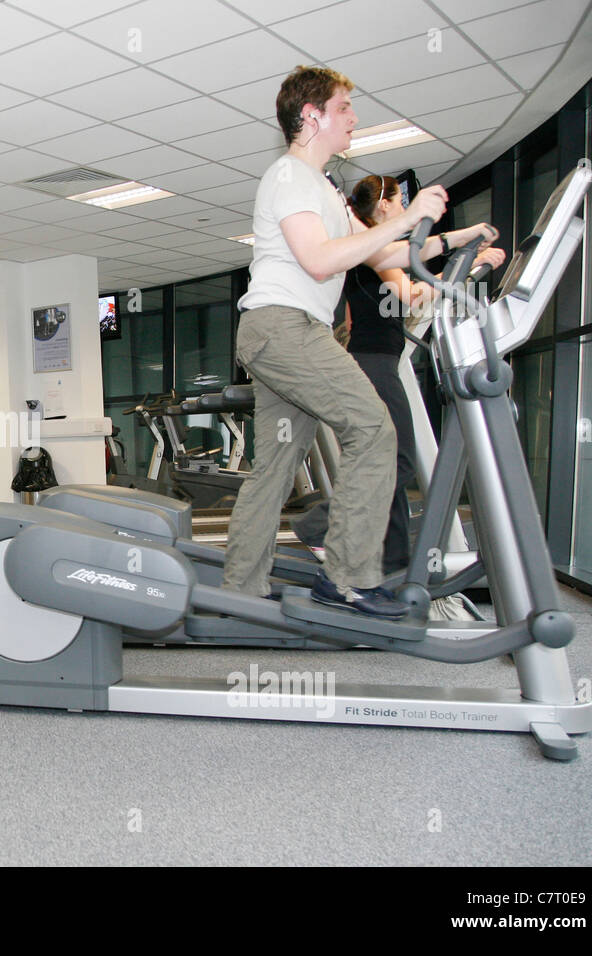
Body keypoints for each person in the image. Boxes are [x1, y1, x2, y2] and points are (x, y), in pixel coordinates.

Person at [221, 66, 498, 618]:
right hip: (283, 328)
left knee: (274, 467)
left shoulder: (322, 187)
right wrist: (408, 217)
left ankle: (239, 588)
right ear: (312, 116)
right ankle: (348, 577)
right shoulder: (290, 176)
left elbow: (381, 256)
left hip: (285, 332)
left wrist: (452, 237)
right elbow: (321, 261)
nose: (354, 117)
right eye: (344, 107)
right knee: (374, 431)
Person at [291, 175, 507, 575]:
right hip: (373, 363)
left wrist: (465, 244)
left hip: (375, 359)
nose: (404, 205)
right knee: (399, 463)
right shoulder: (374, 248)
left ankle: (393, 561)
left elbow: (410, 269)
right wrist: (472, 263)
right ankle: (316, 524)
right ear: (386, 206)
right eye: (400, 199)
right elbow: (413, 294)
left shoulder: (371, 245)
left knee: (388, 460)